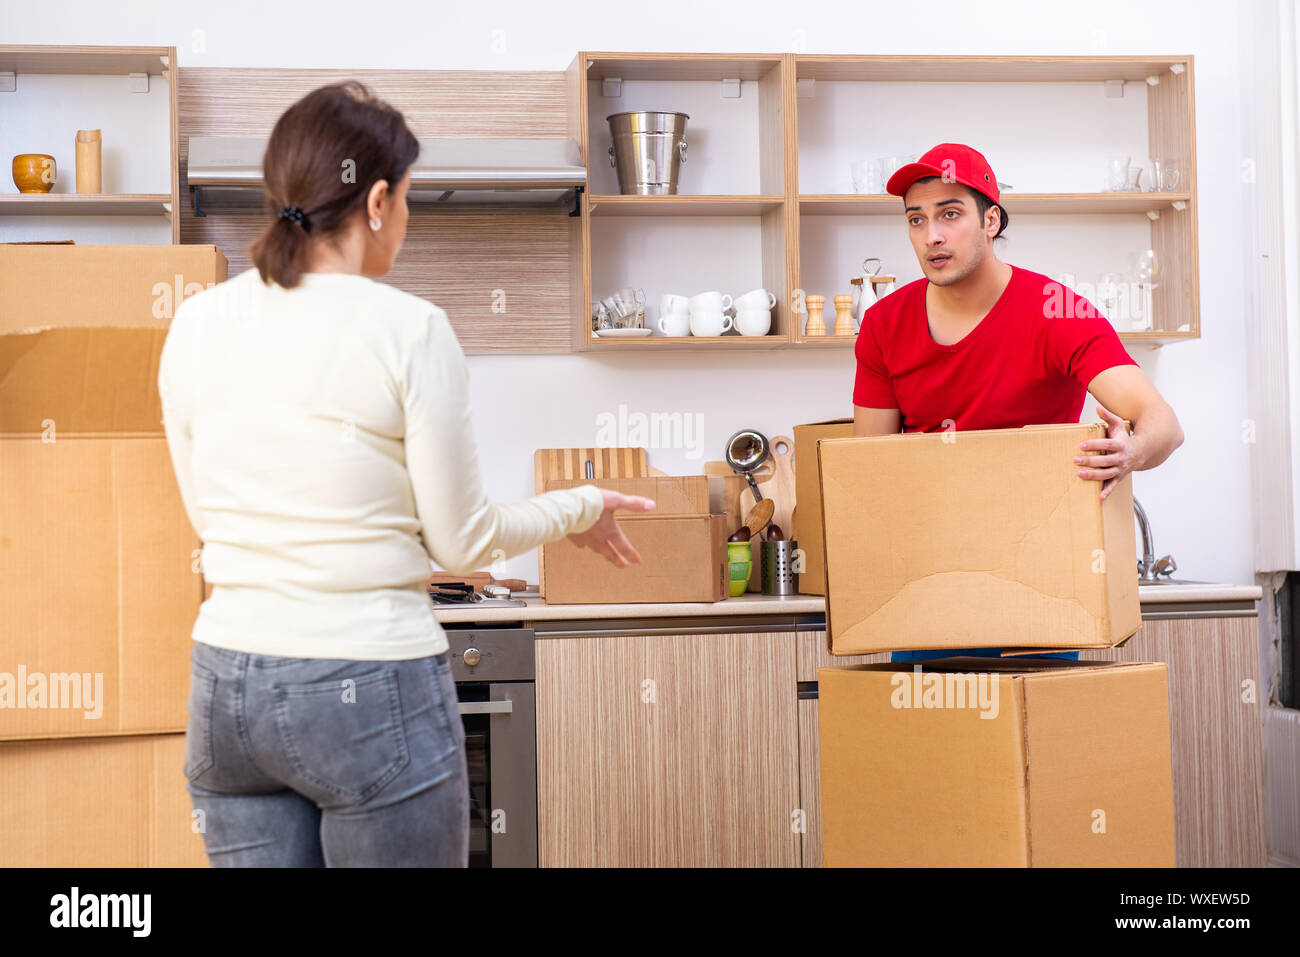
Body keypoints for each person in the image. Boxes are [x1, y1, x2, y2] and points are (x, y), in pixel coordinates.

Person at [158, 81, 654, 866]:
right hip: (367, 678)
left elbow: (206, 514)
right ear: (378, 200)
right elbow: (464, 543)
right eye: (410, 200)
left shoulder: (193, 322)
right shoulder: (409, 327)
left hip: (228, 688)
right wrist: (580, 504)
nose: (409, 221)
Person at [852, 143, 1184, 664]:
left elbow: (1163, 424)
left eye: (950, 214)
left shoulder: (1058, 312)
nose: (932, 235)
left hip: (1044, 573)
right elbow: (867, 468)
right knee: (935, 739)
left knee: (1040, 739)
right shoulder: (883, 324)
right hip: (931, 579)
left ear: (992, 220)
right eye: (916, 220)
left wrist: (1131, 453)